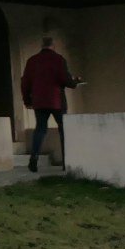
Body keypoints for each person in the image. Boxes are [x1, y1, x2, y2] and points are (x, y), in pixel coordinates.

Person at [20, 36, 80, 173]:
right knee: (63, 129)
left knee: (40, 129)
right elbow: (65, 79)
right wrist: (75, 81)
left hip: (39, 101)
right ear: (53, 45)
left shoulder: (32, 61)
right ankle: (67, 161)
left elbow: (25, 83)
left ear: (42, 46)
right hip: (56, 100)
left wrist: (27, 101)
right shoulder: (59, 59)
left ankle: (33, 159)